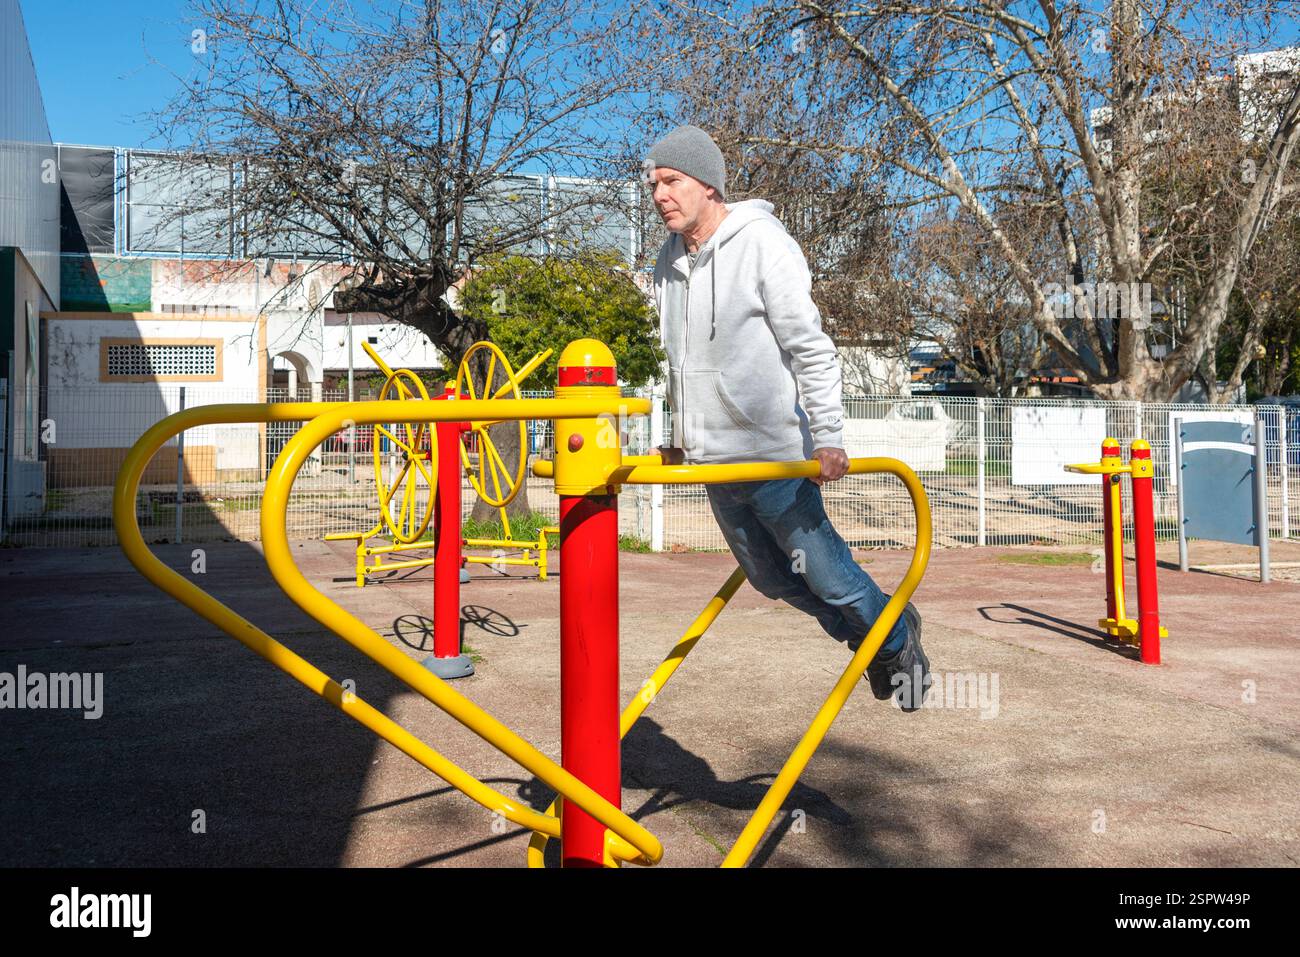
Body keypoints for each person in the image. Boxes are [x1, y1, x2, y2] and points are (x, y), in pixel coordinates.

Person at [644, 123, 931, 711]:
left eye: (672, 181)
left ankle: (895, 640)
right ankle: (875, 642)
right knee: (771, 581)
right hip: (714, 463)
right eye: (654, 185)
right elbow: (677, 363)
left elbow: (809, 344)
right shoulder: (667, 266)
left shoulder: (762, 242)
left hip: (774, 453)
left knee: (828, 577)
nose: (660, 195)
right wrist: (676, 437)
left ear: (709, 185)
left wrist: (827, 435)